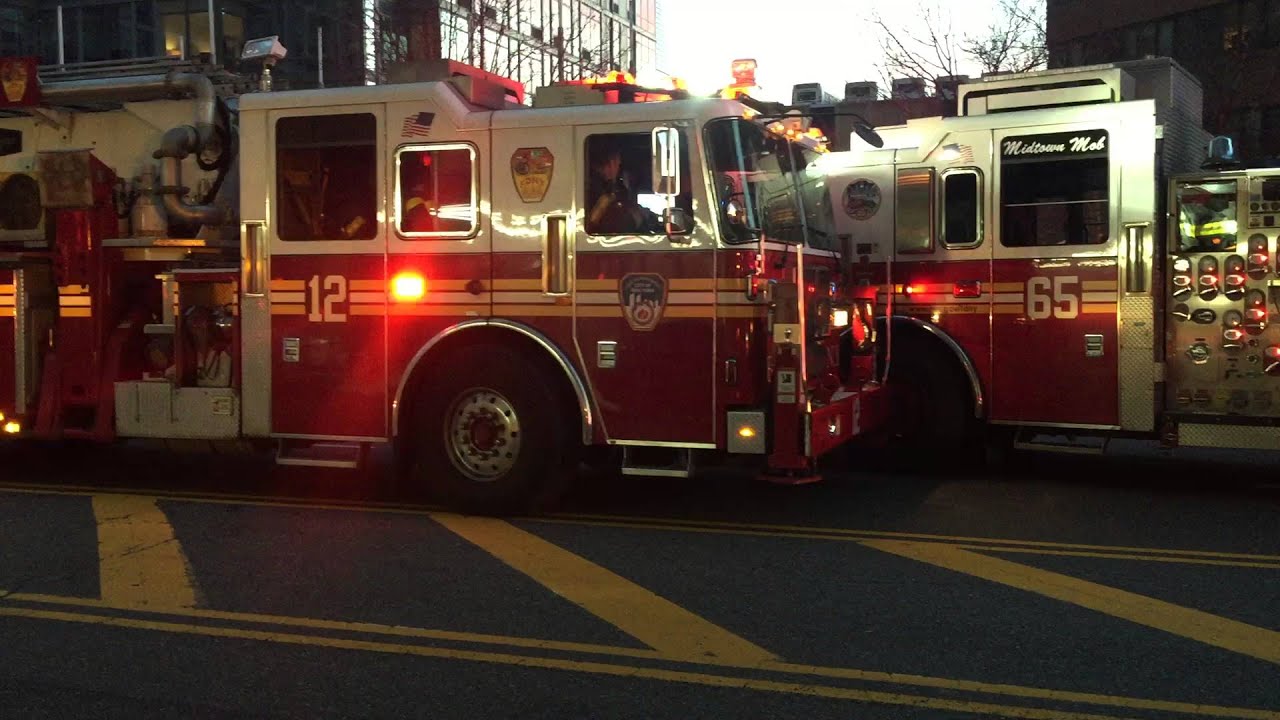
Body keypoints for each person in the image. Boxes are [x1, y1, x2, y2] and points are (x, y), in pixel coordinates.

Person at [587, 147, 659, 235]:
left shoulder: (613, 188)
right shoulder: (594, 190)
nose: (618, 166)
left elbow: (628, 206)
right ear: (611, 163)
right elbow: (618, 224)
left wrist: (647, 216)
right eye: (617, 162)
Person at [185, 305, 232, 388]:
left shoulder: (223, 352)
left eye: (200, 321)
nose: (197, 326)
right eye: (193, 321)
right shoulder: (187, 351)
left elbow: (222, 383)